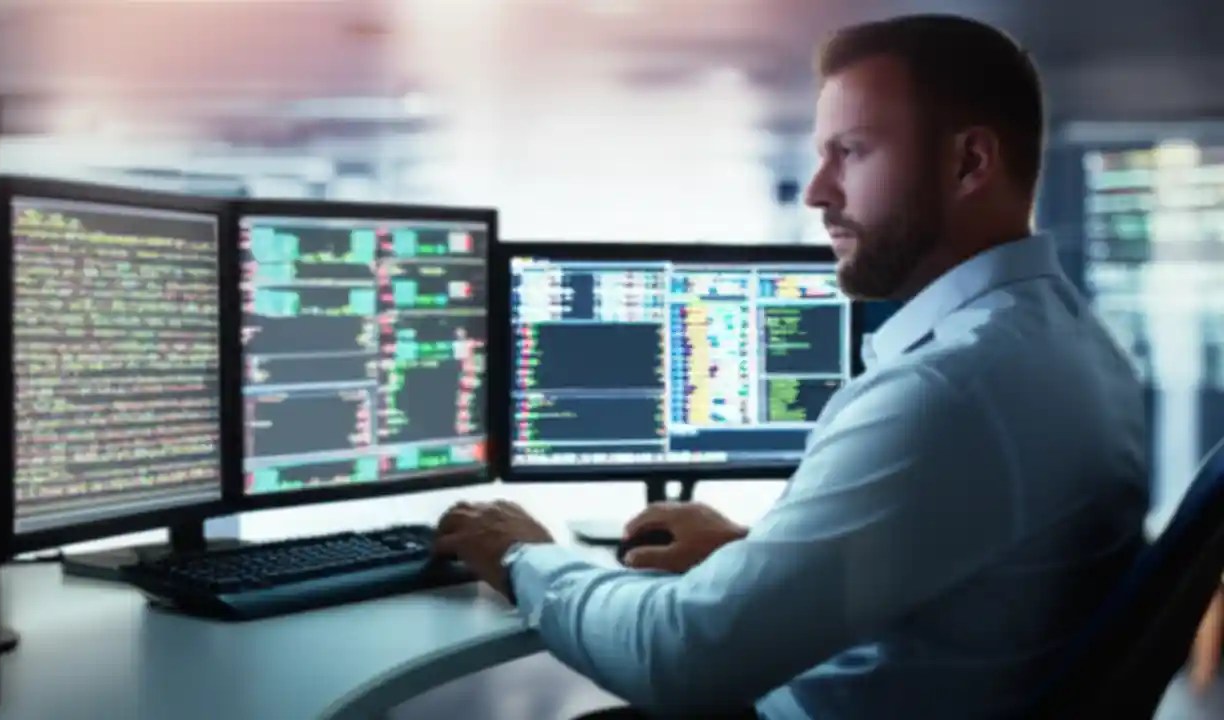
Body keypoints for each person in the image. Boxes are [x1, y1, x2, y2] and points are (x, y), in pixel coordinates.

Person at [434, 14, 1149, 719]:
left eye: (853, 152)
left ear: (969, 163)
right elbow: (983, 577)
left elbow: (677, 658)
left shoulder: (949, 389)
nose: (817, 192)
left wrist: (524, 558)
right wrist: (760, 558)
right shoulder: (1079, 350)